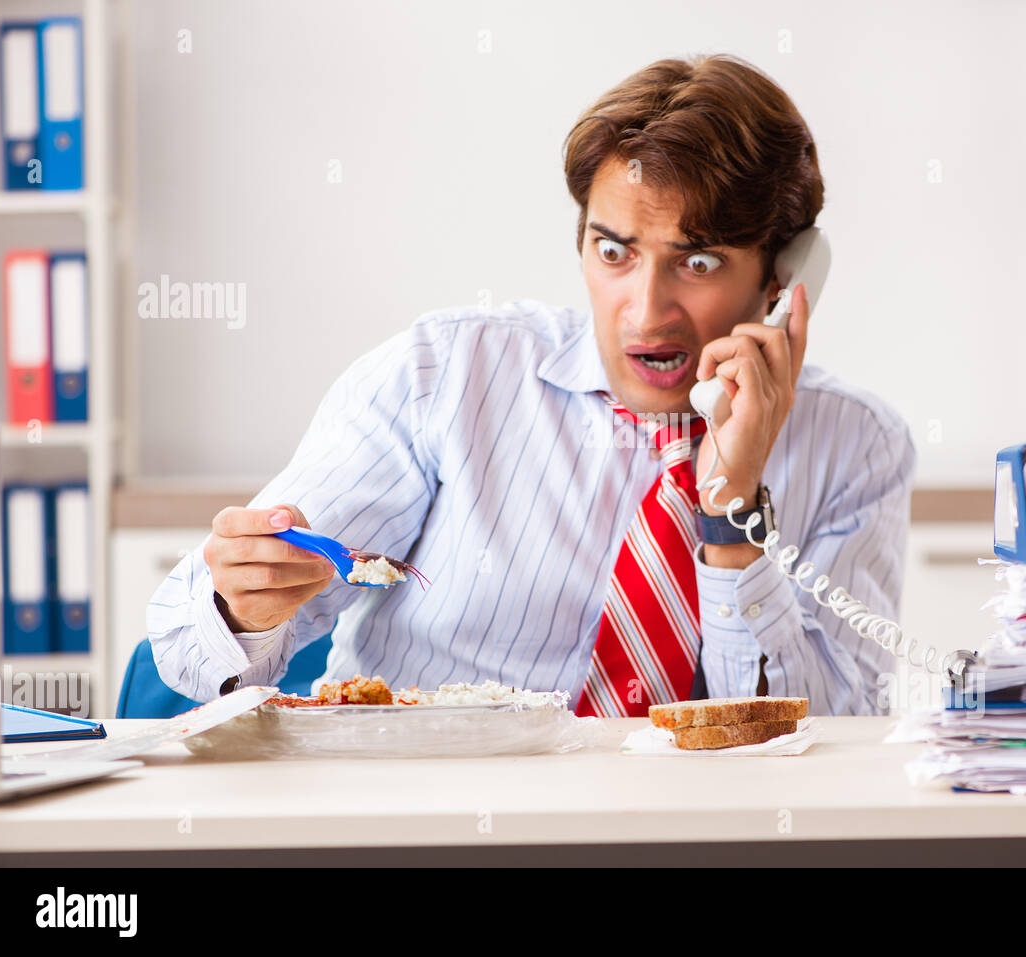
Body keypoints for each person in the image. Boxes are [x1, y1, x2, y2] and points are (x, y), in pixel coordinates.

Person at [148, 53, 914, 716]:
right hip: (429, 826)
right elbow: (184, 648)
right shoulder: (444, 377)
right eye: (614, 252)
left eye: (698, 262)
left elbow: (834, 734)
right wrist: (241, 607)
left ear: (782, 280)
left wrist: (732, 509)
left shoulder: (856, 447)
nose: (645, 310)